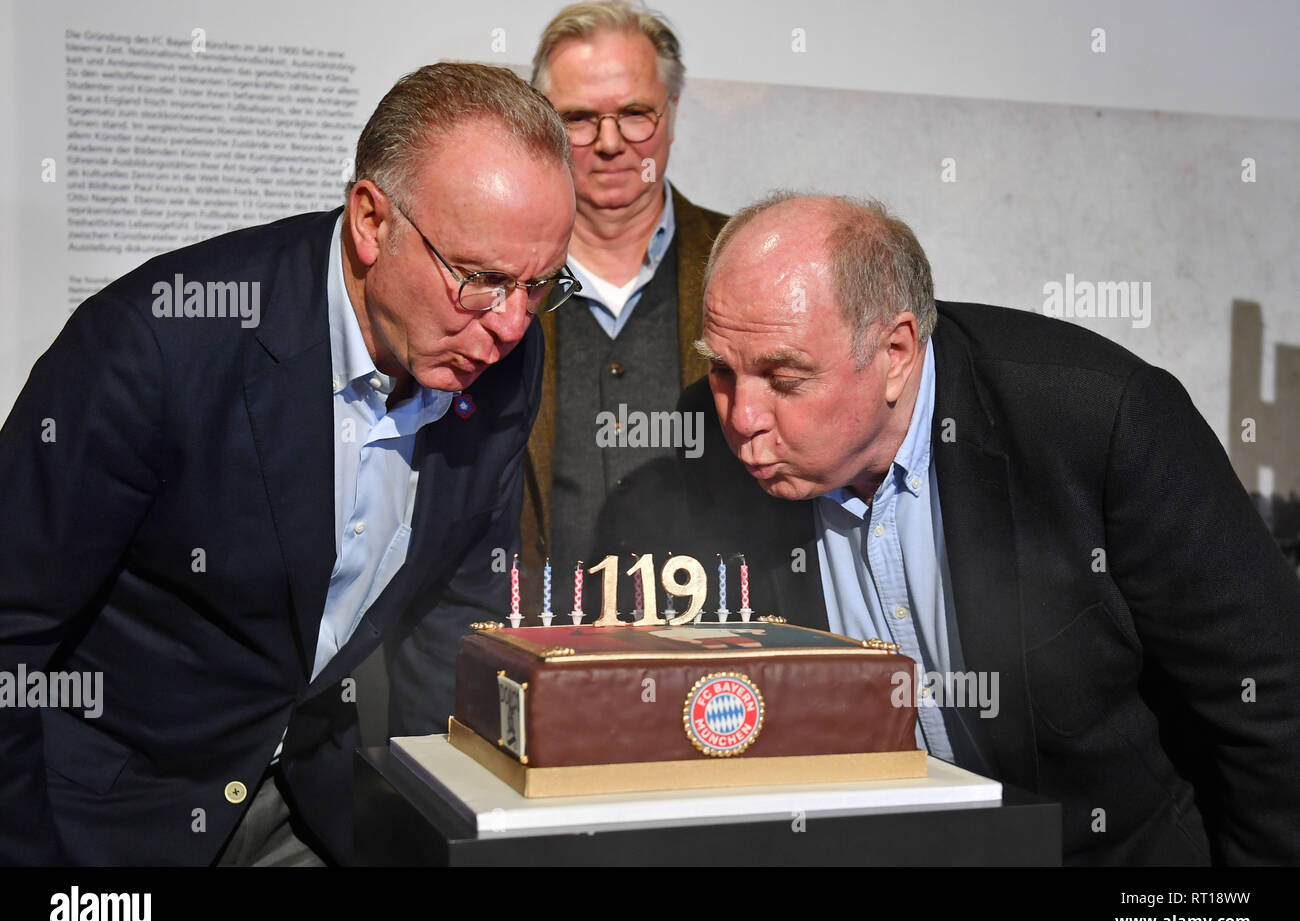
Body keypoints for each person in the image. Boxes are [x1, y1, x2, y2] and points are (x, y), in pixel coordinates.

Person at [0, 63, 578, 866]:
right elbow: (13, 629)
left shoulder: (503, 359)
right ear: (372, 221)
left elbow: (455, 616)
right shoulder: (155, 347)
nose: (511, 324)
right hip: (107, 819)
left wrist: (435, 832)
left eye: (539, 284)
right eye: (480, 280)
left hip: (308, 804)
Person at [611, 192, 1300, 865]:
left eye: (784, 379)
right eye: (722, 368)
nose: (742, 417)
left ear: (896, 352)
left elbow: (1268, 693)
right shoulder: (708, 441)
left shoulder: (1097, 420)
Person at [522, 0, 727, 591]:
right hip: (530, 630)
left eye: (635, 113)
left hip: (713, 634)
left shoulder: (743, 263)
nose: (609, 143)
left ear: (672, 112)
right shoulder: (494, 278)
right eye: (579, 118)